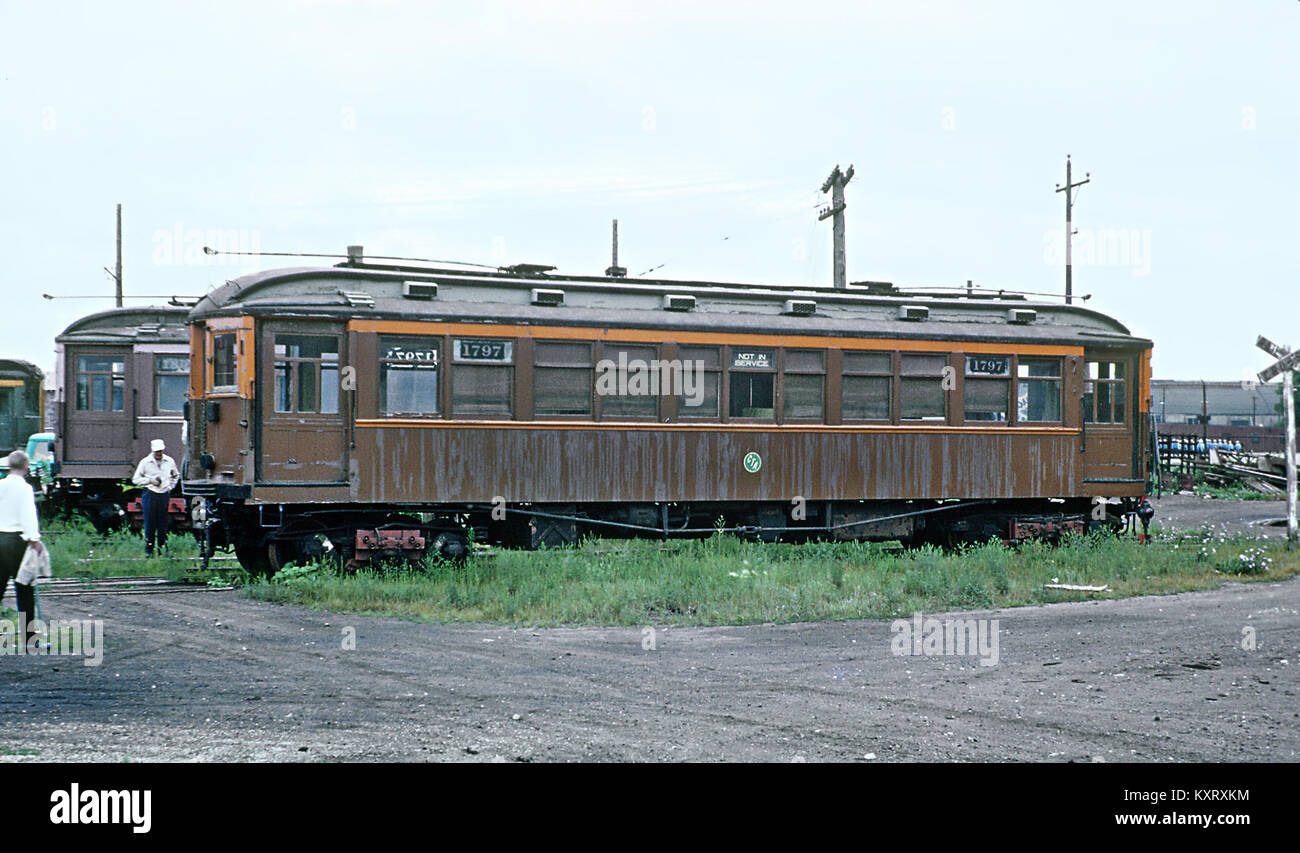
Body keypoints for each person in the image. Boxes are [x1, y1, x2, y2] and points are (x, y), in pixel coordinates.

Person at [0, 450, 43, 646]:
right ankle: (29, 638)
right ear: (26, 467)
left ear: (8, 466)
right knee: (25, 588)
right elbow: (28, 515)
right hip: (17, 541)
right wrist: (34, 539)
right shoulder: (25, 488)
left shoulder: (0, 486)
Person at [132, 439, 180, 556]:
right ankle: (149, 548)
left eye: (160, 451)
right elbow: (135, 479)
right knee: (150, 521)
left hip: (164, 494)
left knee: (162, 522)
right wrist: (149, 481)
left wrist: (170, 486)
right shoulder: (145, 462)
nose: (159, 453)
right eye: (157, 451)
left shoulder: (169, 461)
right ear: (152, 450)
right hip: (150, 493)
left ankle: (161, 547)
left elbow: (176, 475)